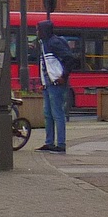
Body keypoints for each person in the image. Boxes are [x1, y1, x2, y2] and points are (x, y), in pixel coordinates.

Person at [37, 20, 74, 153]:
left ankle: (60, 144)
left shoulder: (54, 43)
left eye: (38, 30)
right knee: (48, 113)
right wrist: (43, 82)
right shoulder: (44, 44)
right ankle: (50, 142)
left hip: (56, 83)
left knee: (57, 113)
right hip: (48, 83)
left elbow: (69, 58)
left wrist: (63, 76)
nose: (37, 32)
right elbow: (45, 65)